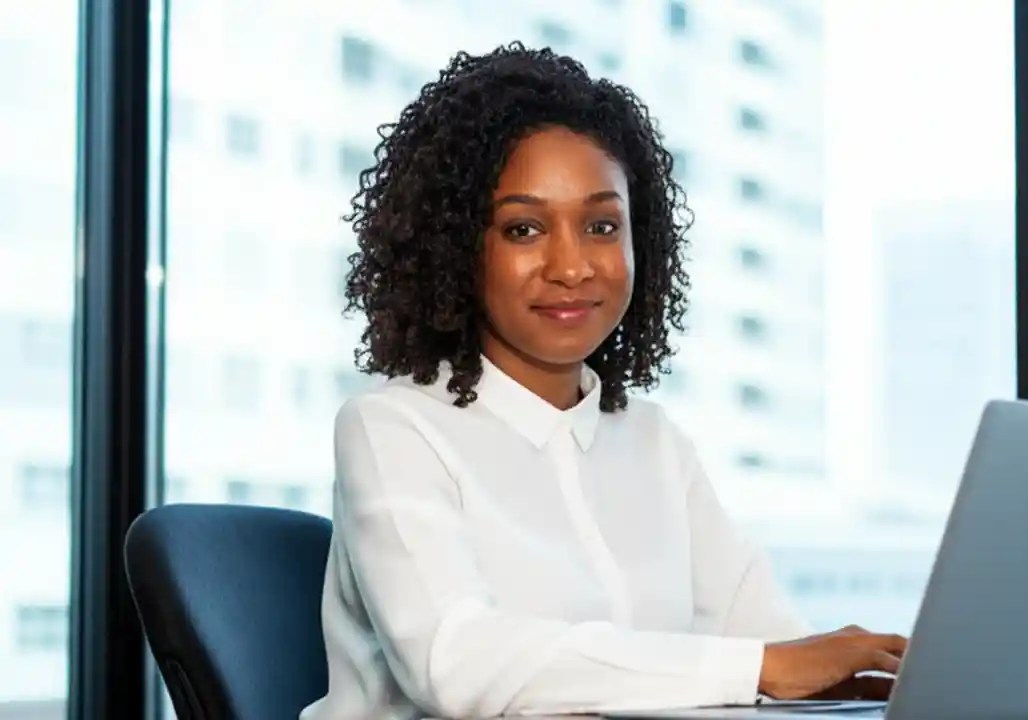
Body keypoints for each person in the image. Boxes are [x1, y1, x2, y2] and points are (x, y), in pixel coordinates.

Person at [301, 44, 907, 720]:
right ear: (455, 247)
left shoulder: (654, 442)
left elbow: (766, 634)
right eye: (524, 228)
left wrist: (855, 677)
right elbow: (457, 664)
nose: (572, 266)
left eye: (600, 226)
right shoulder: (392, 430)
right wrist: (763, 667)